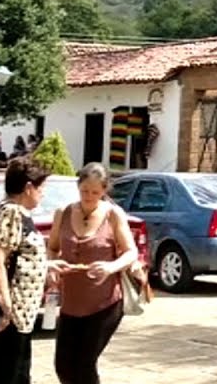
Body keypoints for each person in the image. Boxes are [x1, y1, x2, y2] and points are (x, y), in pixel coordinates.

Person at [48, 163, 139, 384]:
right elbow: (52, 247)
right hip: (71, 303)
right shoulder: (64, 212)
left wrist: (110, 267)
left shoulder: (113, 214)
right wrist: (52, 266)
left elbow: (131, 252)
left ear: (104, 191)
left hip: (104, 303)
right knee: (64, 366)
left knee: (85, 365)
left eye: (95, 192)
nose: (89, 196)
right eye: (84, 191)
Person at [0, 157, 52, 384]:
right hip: (12, 313)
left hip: (21, 314)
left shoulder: (16, 213)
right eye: (41, 188)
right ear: (29, 187)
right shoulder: (11, 213)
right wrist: (6, 306)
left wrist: (50, 266)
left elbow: (20, 256)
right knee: (7, 374)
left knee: (13, 373)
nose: (43, 194)